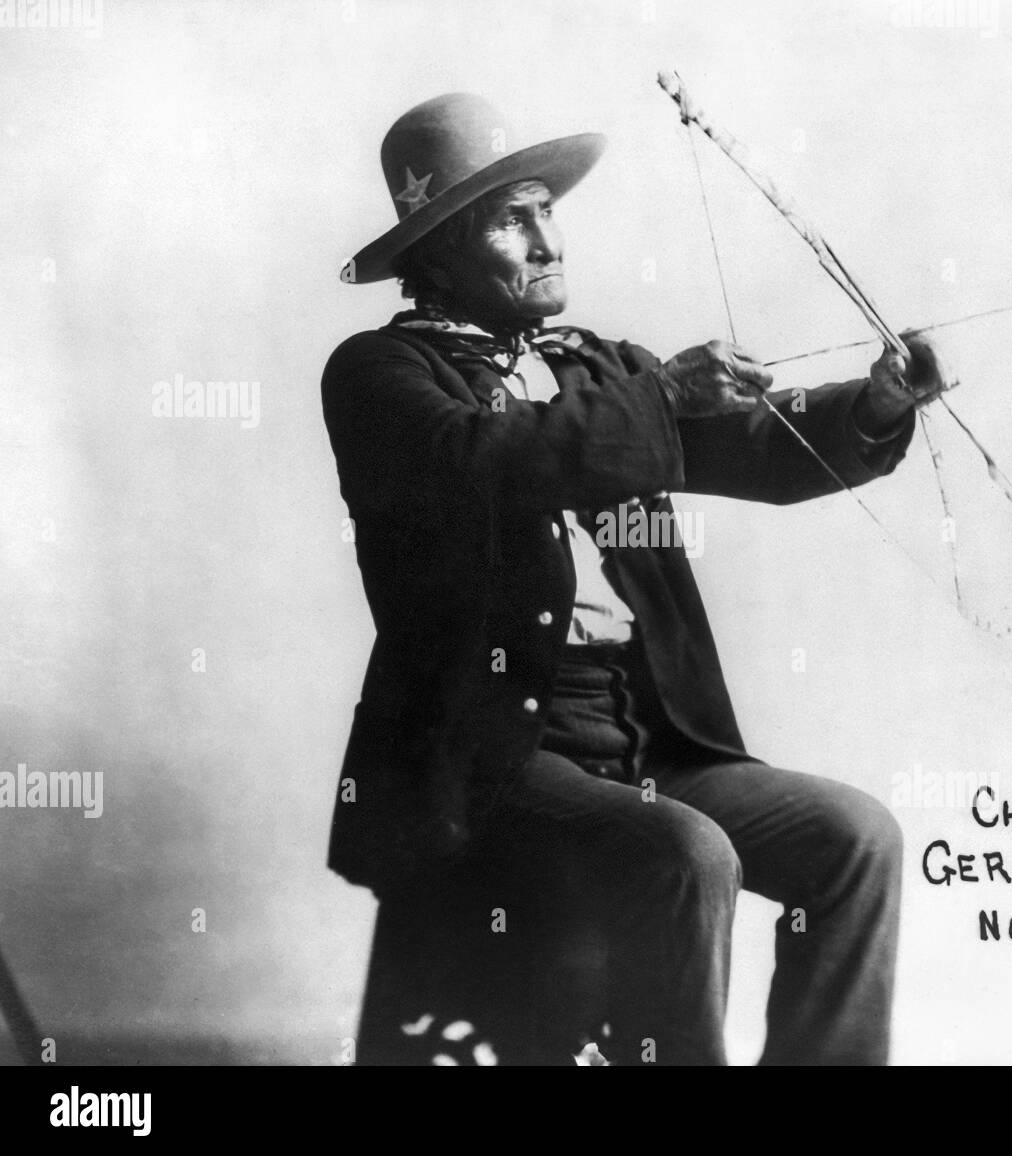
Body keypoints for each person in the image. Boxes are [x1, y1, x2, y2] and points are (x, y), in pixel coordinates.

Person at [324, 92, 948, 1066]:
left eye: (546, 210)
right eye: (509, 217)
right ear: (437, 250)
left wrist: (872, 404)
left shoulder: (594, 368)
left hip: (647, 741)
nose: (546, 240)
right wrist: (655, 394)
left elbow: (758, 453)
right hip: (492, 754)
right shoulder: (376, 377)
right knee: (687, 851)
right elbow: (489, 459)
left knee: (854, 838)